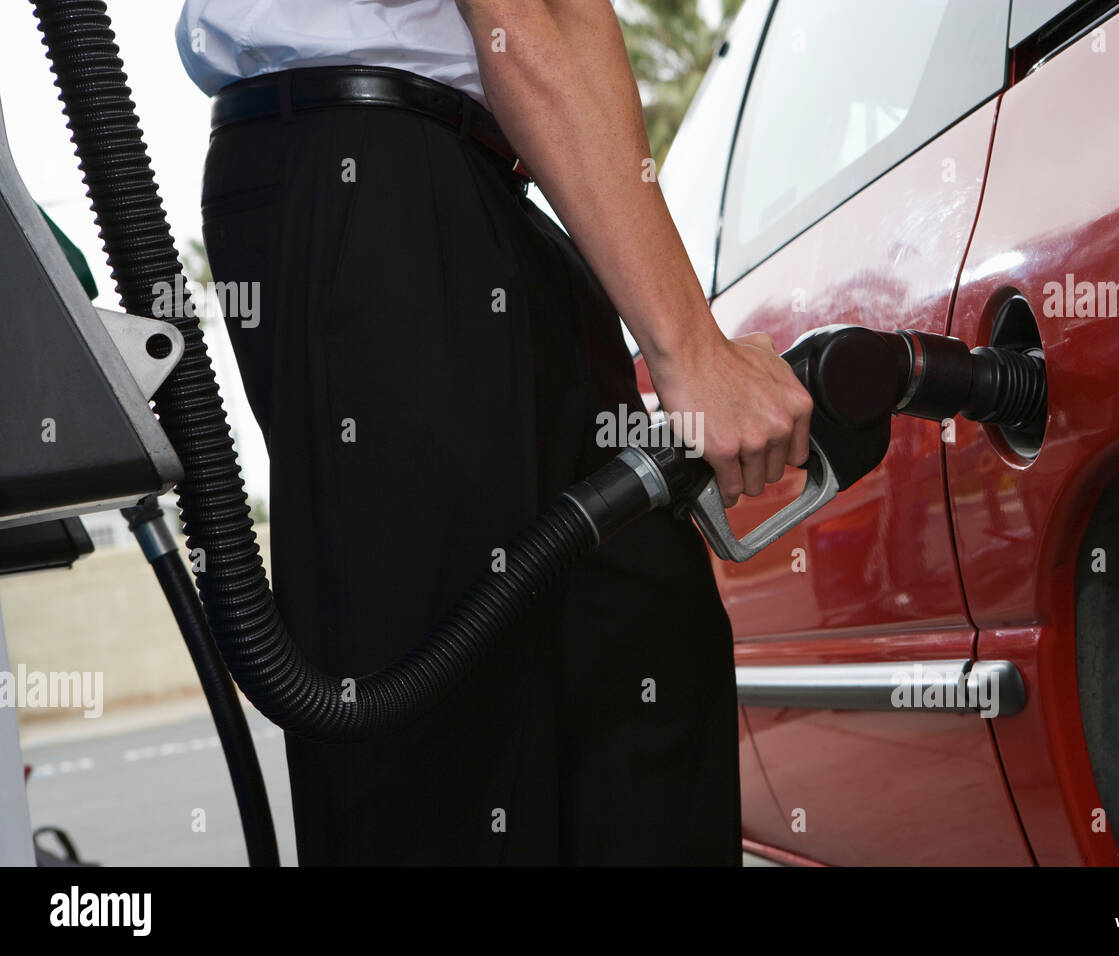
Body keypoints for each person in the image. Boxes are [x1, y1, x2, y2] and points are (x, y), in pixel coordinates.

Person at [175, 0, 812, 865]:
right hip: (379, 176)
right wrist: (690, 348)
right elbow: (539, 17)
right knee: (445, 732)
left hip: (461, 176)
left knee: (636, 653)